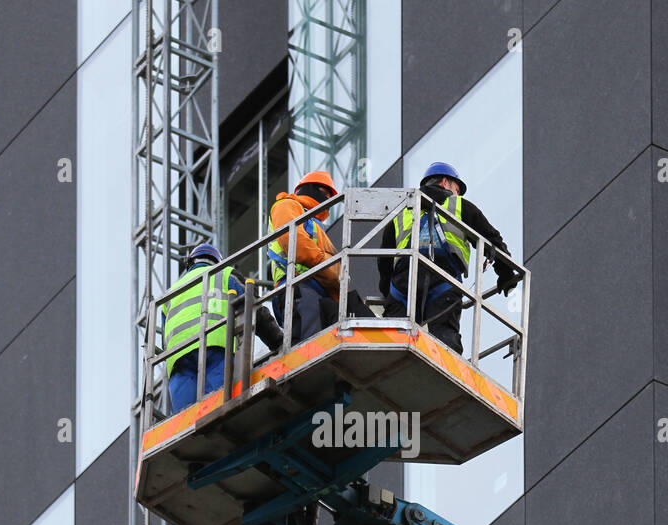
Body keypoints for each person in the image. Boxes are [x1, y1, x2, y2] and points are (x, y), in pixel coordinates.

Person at [378, 161, 519, 355]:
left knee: (395, 338)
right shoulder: (460, 206)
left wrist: (388, 293)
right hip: (443, 280)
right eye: (457, 189)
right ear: (445, 182)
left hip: (404, 282)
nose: (457, 194)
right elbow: (492, 240)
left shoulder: (401, 212)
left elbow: (384, 261)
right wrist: (506, 273)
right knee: (444, 336)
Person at [267, 170, 367, 344]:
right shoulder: (286, 205)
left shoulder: (314, 223)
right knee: (308, 346)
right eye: (324, 192)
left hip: (319, 290)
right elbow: (296, 245)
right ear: (310, 189)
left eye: (330, 195)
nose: (327, 198)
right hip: (296, 286)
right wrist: (327, 265)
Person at [160, 242, 244, 414]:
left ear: (191, 263)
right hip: (215, 348)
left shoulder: (169, 295)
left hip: (178, 358)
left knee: (186, 419)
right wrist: (276, 340)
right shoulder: (226, 274)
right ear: (217, 261)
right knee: (216, 409)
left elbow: (164, 336)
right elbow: (254, 308)